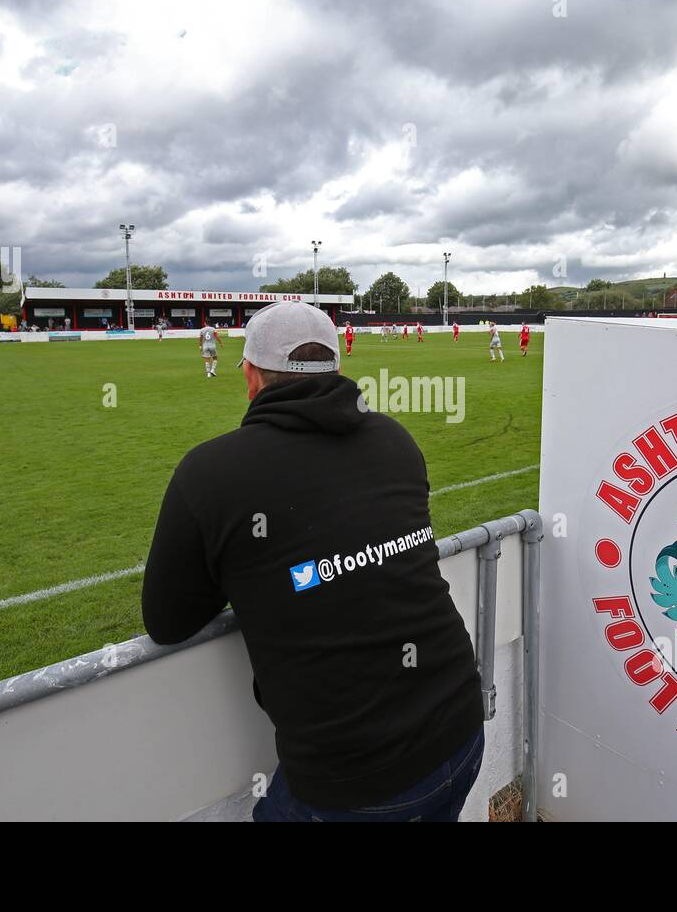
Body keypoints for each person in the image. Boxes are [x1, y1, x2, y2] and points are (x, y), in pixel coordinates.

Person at [142, 301, 483, 822]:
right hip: (461, 726)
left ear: (251, 377)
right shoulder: (394, 438)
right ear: (338, 368)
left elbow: (167, 621)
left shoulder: (210, 472)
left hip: (353, 778)